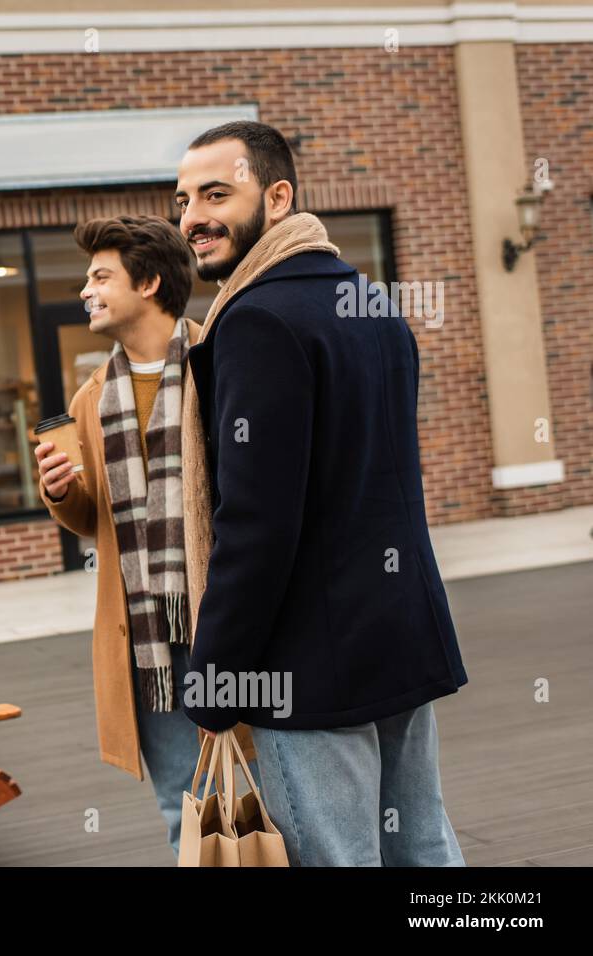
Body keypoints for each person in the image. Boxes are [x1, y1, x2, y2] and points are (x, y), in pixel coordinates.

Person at [173, 120, 467, 866]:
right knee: (422, 847)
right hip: (399, 634)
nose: (193, 217)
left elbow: (256, 524)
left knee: (339, 857)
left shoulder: (255, 320)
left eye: (216, 194)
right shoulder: (368, 302)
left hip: (305, 665)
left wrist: (215, 675)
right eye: (183, 200)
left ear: (277, 197)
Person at [34, 214, 258, 860]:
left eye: (101, 277)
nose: (86, 290)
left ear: (150, 283)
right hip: (146, 640)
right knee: (180, 806)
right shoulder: (90, 399)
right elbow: (94, 520)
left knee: (261, 789)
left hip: (224, 620)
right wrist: (60, 491)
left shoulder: (222, 363)